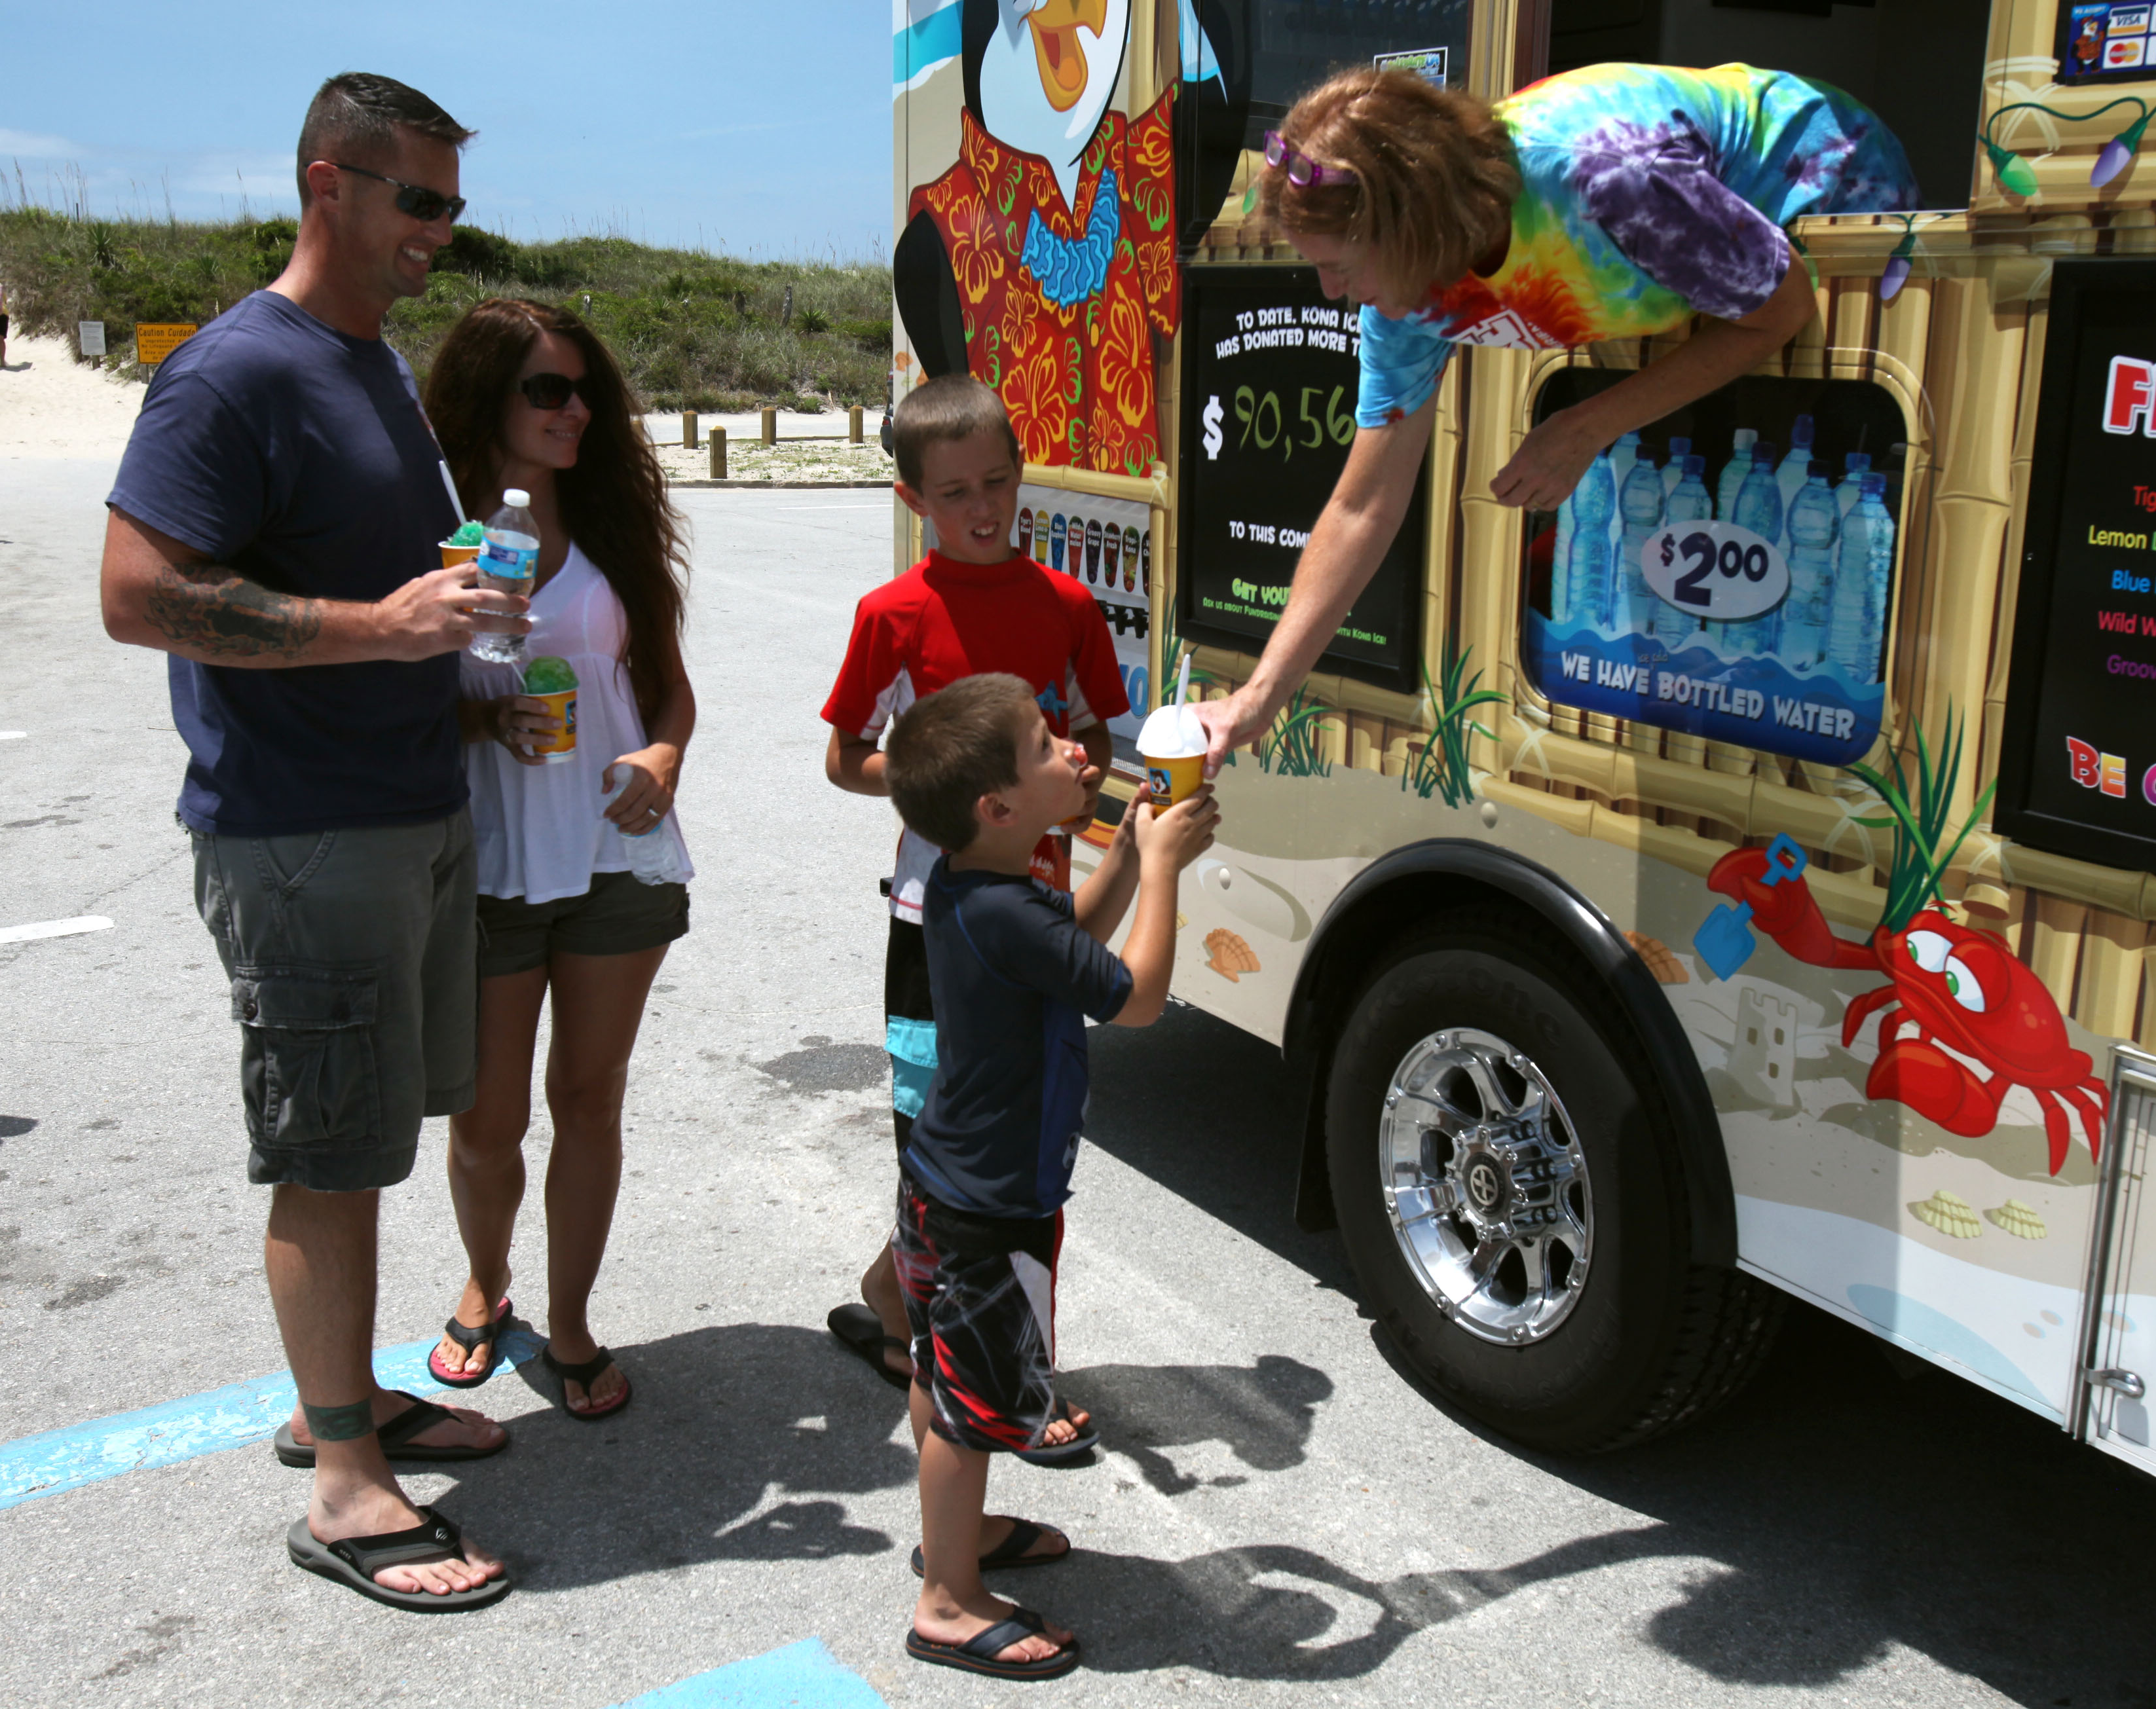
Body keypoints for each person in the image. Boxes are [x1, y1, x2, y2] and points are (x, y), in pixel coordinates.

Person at [98, 71, 522, 1614]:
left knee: (368, 1138)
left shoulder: (371, 360)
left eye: (453, 208)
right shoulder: (232, 373)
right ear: (324, 185)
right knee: (326, 1153)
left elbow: (379, 572)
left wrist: (458, 620)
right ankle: (347, 1484)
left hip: (405, 805)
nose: (440, 232)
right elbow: (139, 593)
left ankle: (343, 1396)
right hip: (303, 831)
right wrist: (383, 624)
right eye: (418, 199)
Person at [1192, 64, 1917, 771]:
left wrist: (1587, 426)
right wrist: (1259, 697)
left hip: (1827, 187)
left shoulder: (1609, 180)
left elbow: (1782, 312)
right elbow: (1362, 506)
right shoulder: (1411, 296)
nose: (1329, 294)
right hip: (1693, 280)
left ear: (1415, 226)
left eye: (1341, 267)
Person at [882, 672, 1219, 1680]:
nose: (1075, 750)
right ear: (997, 806)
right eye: (1044, 749)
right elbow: (1138, 998)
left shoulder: (972, 882)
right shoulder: (1004, 902)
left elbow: (1067, 940)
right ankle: (946, 1598)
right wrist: (1159, 869)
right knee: (969, 1404)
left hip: (945, 1177)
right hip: (992, 1204)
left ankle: (958, 1533)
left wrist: (1122, 845)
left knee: (940, 1373)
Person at [819, 374, 1126, 1460]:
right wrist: (936, 795)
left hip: (1040, 917)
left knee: (1019, 1143)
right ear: (916, 500)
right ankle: (994, 1370)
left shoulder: (1071, 605)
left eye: (998, 481)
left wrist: (1097, 783)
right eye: (956, 493)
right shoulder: (890, 614)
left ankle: (899, 1301)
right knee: (945, 1138)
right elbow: (843, 755)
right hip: (933, 923)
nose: (984, 508)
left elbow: (1099, 736)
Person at [420, 297, 694, 1422]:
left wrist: (667, 755)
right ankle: (487, 1285)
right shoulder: (430, 529)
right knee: (487, 1120)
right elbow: (388, 697)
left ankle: (571, 1319)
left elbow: (667, 684)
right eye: (548, 389)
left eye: (586, 389)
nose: (577, 409)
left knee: (589, 1098)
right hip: (487, 862)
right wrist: (482, 725)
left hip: (617, 854)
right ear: (488, 400)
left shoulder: (618, 530)